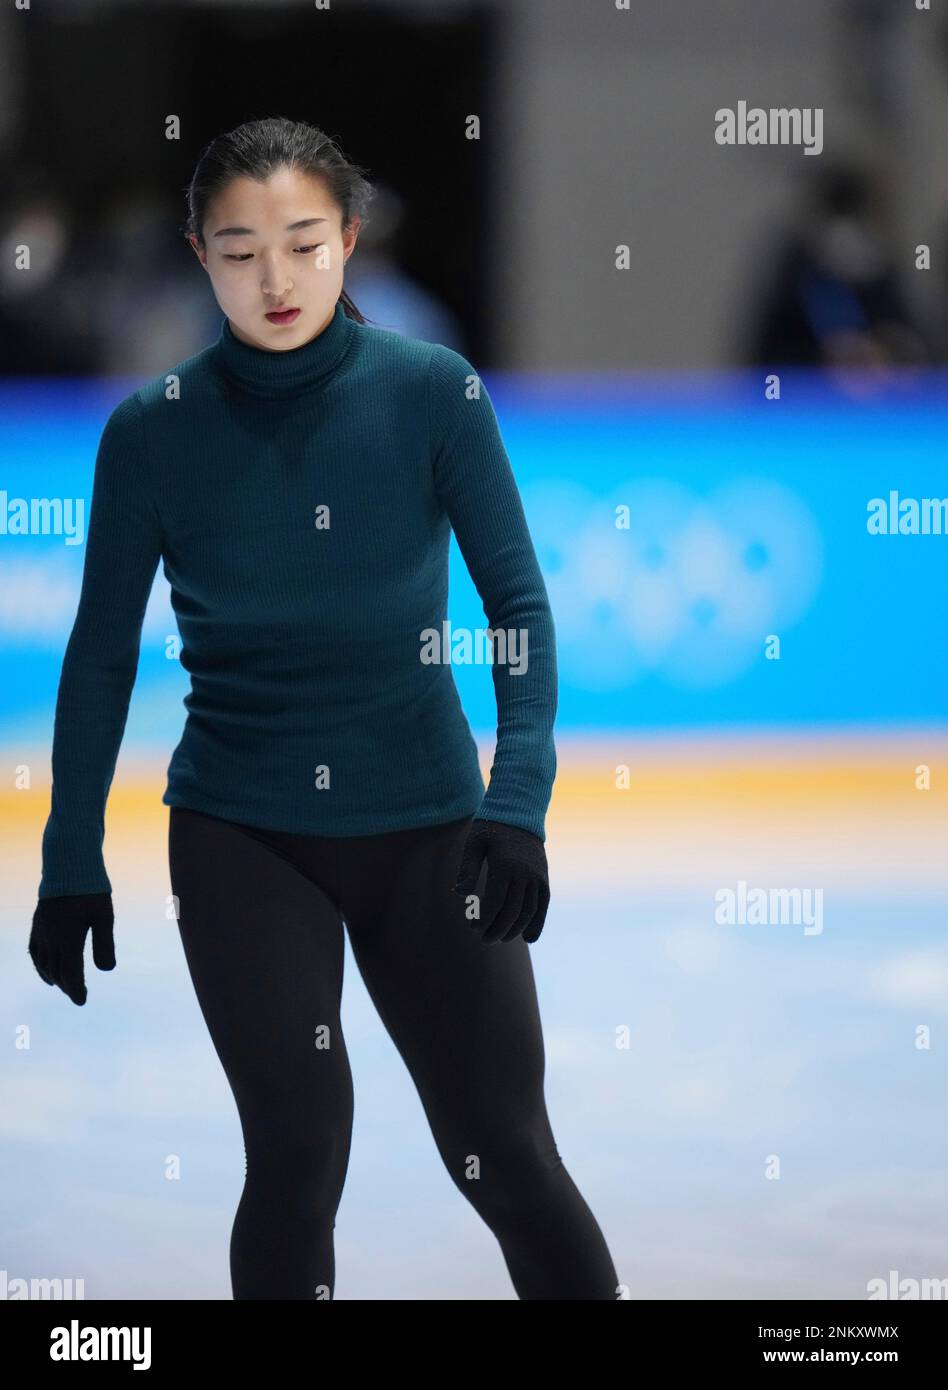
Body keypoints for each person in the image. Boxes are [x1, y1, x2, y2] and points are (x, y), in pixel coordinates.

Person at [28, 116, 619, 1301]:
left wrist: (519, 798)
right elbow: (100, 656)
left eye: (303, 243)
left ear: (349, 241)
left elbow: (516, 603)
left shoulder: (431, 393)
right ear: (199, 254)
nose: (276, 277)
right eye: (241, 249)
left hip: (432, 831)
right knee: (296, 1157)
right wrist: (69, 854)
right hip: (244, 835)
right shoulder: (153, 432)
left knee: (506, 1157)